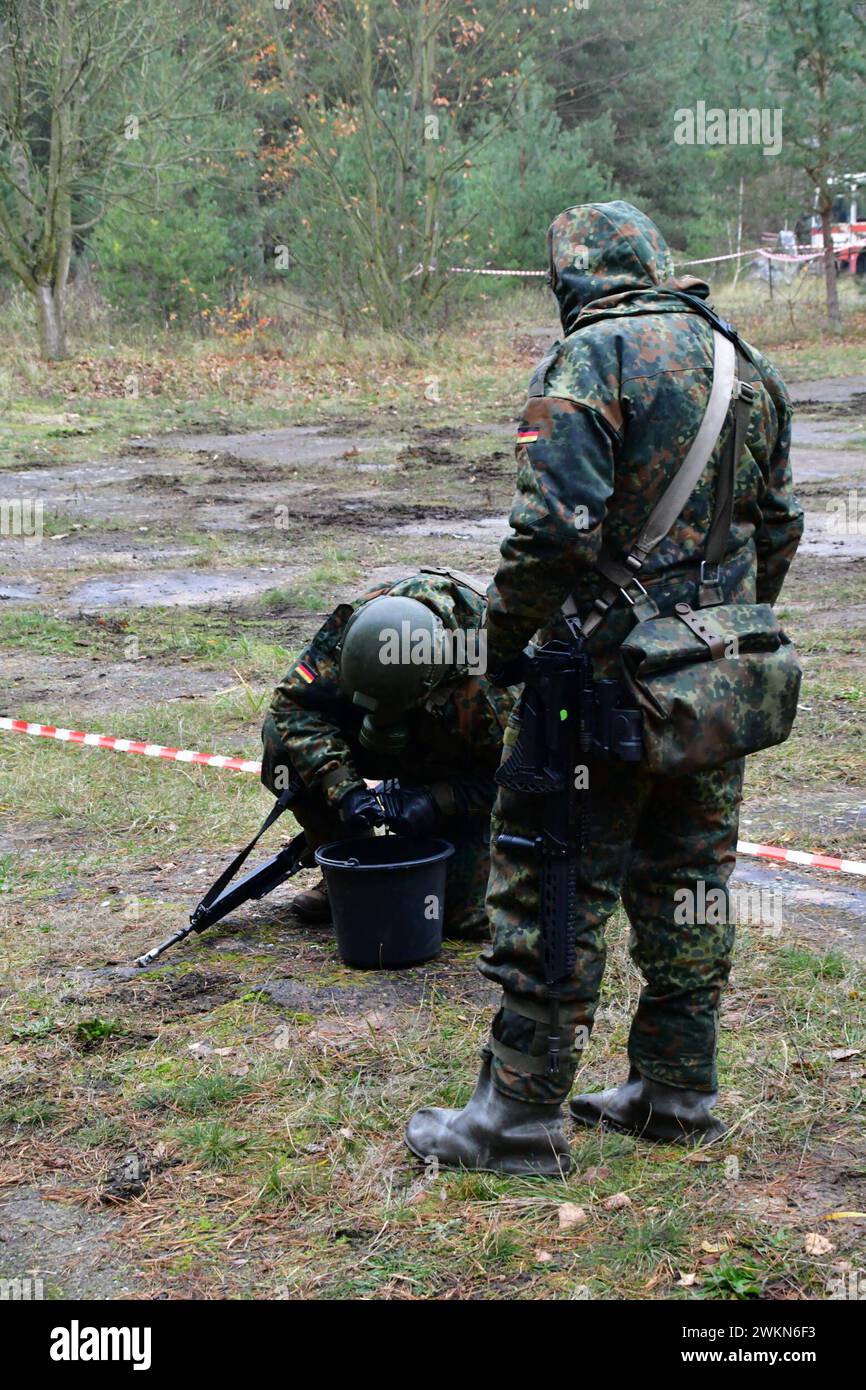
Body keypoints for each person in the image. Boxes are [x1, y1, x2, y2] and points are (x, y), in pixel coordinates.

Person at [406, 200, 804, 1175]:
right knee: (690, 877)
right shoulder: (740, 363)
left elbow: (552, 534)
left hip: (594, 684)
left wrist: (497, 649)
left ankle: (516, 1117)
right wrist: (717, 627)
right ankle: (675, 1088)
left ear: (570, 279)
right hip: (714, 679)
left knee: (552, 878)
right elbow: (779, 525)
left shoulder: (591, 359)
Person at [260, 568, 515, 941]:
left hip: (461, 770)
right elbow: (294, 705)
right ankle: (351, 866)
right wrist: (343, 789)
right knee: (280, 745)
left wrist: (439, 800)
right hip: (391, 743)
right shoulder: (363, 631)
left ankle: (471, 859)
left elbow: (527, 780)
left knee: (457, 918)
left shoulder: (496, 676)